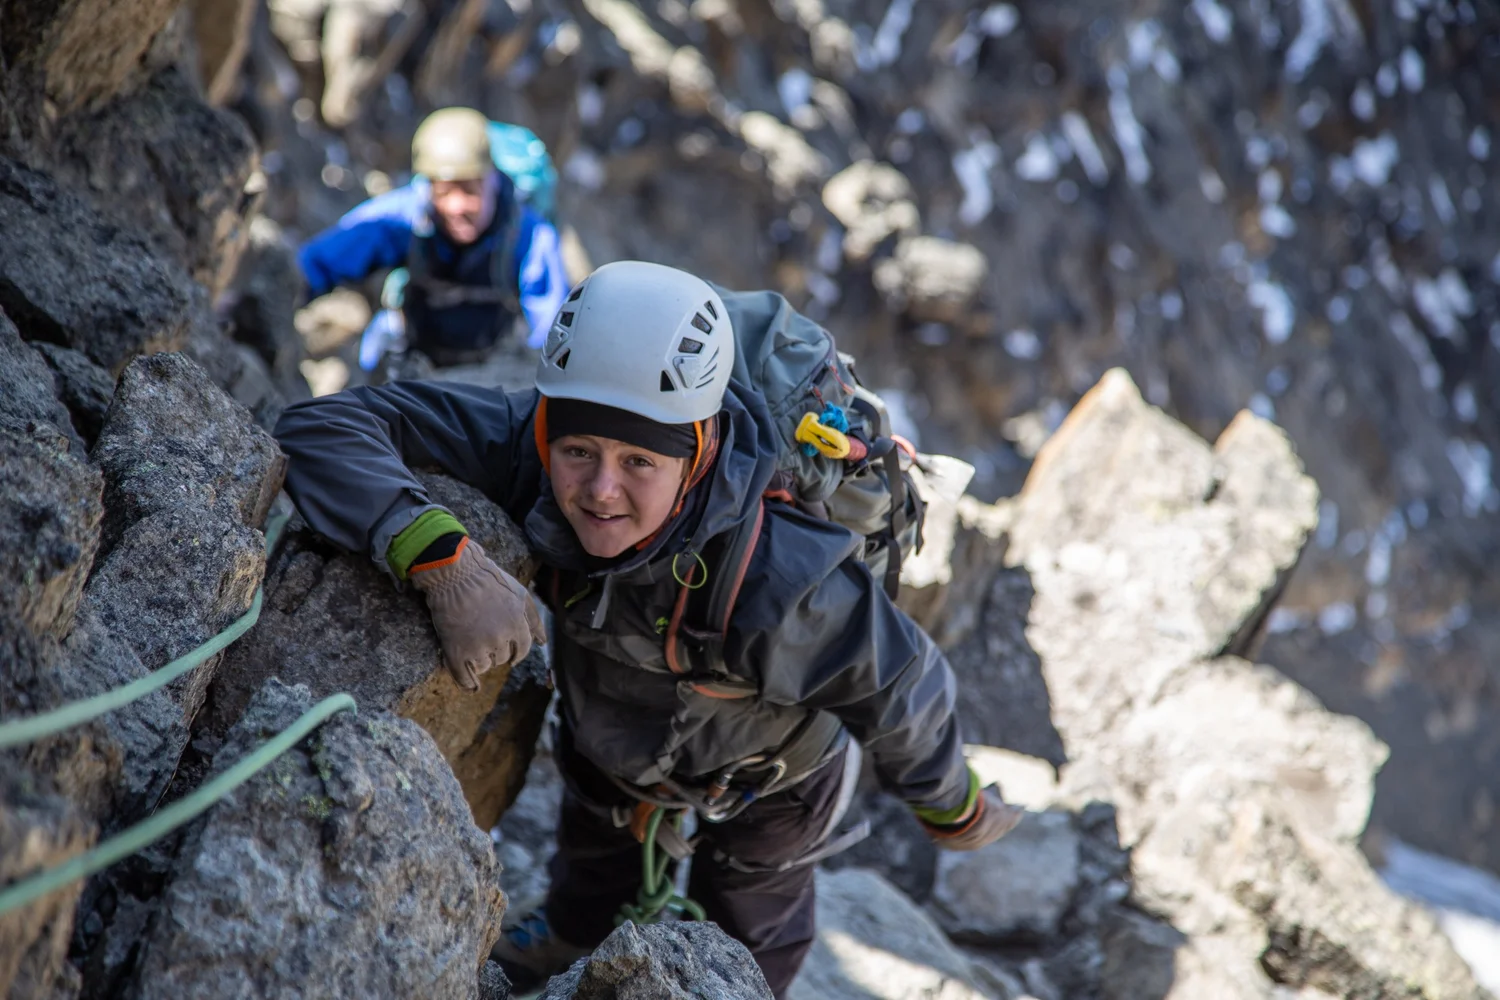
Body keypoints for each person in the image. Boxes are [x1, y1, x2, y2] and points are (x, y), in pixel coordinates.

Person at [273, 261, 1022, 998]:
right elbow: (321, 425)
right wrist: (441, 558)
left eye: (639, 461)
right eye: (579, 452)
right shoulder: (529, 448)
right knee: (594, 860)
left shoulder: (783, 579)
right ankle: (575, 930)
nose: (600, 490)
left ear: (696, 453)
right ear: (547, 431)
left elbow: (901, 684)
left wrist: (953, 806)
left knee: (747, 943)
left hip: (768, 781)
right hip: (610, 731)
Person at [296, 106, 569, 369]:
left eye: (469, 191)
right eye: (444, 192)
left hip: (492, 369)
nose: (456, 207)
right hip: (414, 357)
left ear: (492, 181)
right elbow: (319, 261)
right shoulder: (404, 216)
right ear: (427, 188)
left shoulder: (528, 235)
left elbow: (553, 333)